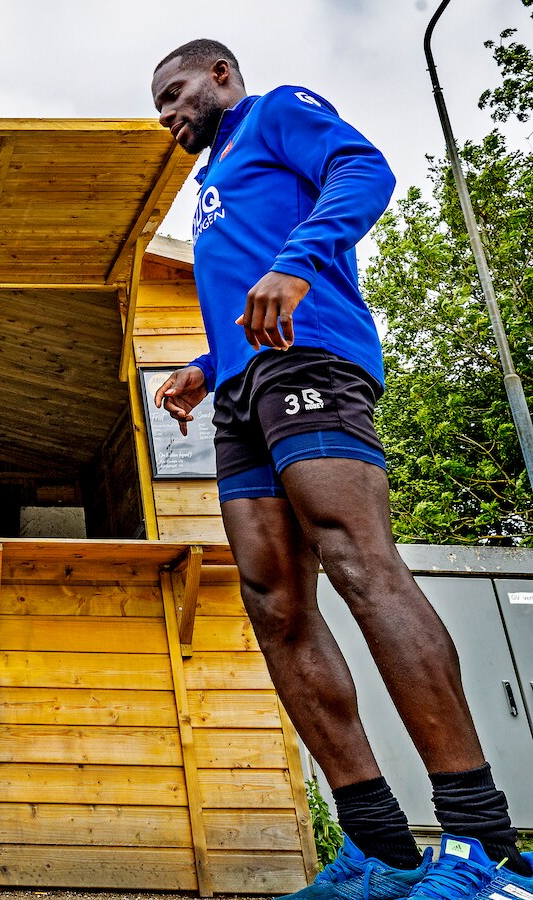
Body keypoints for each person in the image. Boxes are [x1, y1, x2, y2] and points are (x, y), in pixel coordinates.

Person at [149, 39, 532, 900]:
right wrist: (204, 369)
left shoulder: (278, 110)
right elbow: (242, 297)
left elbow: (366, 170)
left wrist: (295, 263)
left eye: (176, 95)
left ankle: (486, 847)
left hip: (312, 360)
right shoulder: (213, 181)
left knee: (358, 559)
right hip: (244, 387)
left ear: (219, 75)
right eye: (159, 107)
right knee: (272, 599)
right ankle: (380, 851)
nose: (170, 116)